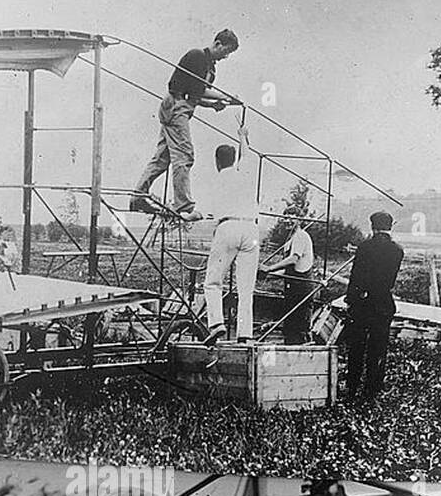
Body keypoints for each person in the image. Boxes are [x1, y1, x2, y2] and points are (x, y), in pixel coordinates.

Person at [130, 29, 240, 224]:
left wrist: (213, 104)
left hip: (182, 109)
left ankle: (138, 196)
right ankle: (183, 205)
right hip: (175, 105)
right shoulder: (197, 56)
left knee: (162, 158)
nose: (226, 56)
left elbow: (196, 96)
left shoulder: (211, 70)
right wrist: (225, 97)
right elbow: (192, 89)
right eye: (226, 51)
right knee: (184, 155)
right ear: (217, 44)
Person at [203, 122, 260, 363]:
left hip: (227, 227)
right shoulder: (245, 173)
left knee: (213, 282)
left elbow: (205, 212)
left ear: (217, 163)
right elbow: (247, 156)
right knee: (246, 288)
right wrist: (242, 136)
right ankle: (245, 335)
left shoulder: (216, 180)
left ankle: (216, 323)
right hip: (251, 228)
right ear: (234, 159)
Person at [343, 210, 405, 402]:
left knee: (357, 347)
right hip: (383, 304)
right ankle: (372, 390)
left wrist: (351, 299)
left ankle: (352, 387)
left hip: (362, 304)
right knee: (378, 348)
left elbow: (356, 277)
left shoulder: (365, 247)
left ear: (372, 226)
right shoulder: (397, 250)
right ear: (390, 226)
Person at [266, 218, 316, 344]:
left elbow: (293, 260)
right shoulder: (291, 240)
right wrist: (267, 275)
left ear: (299, 220)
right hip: (292, 289)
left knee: (299, 329)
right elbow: (288, 271)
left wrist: (269, 268)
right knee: (290, 328)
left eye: (292, 217)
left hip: (301, 289)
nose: (287, 220)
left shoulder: (300, 236)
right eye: (286, 217)